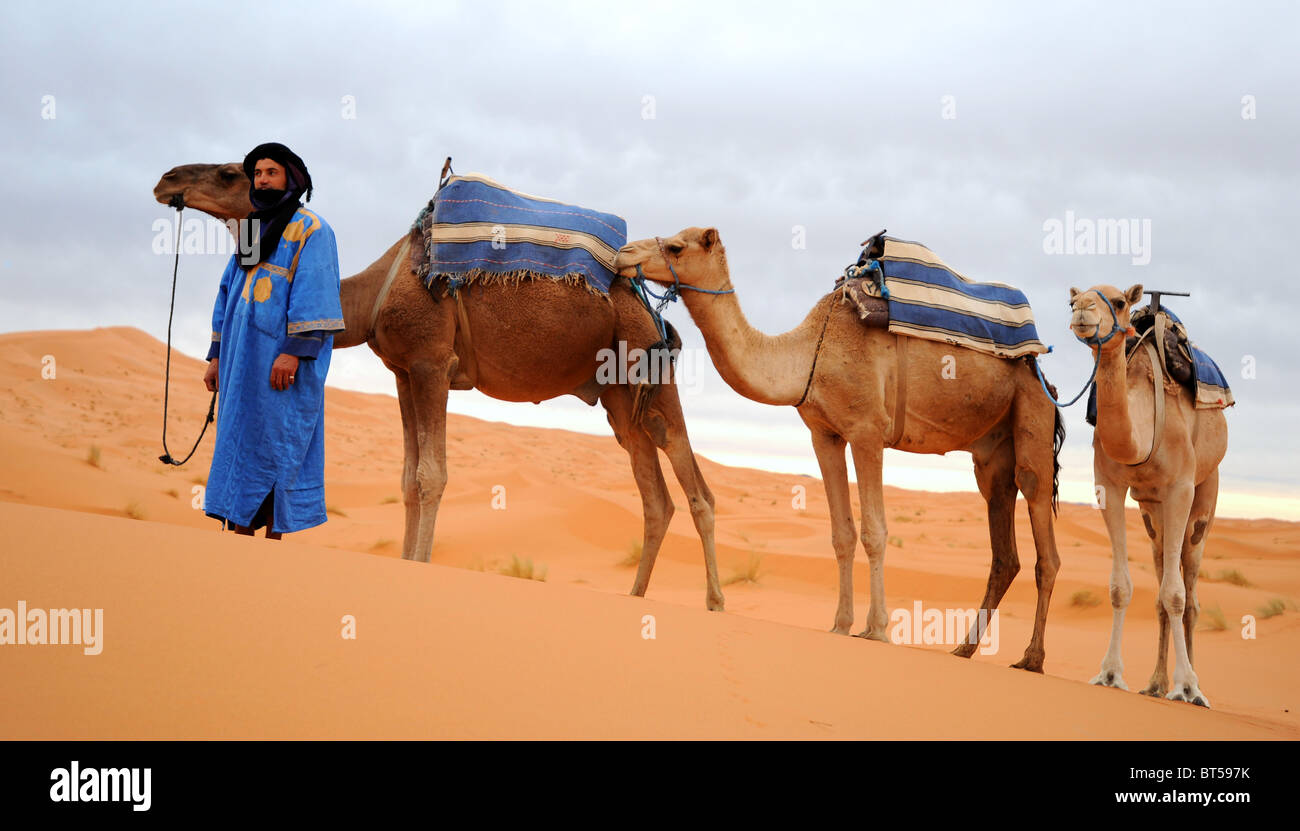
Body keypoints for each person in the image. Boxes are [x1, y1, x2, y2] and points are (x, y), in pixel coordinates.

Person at [202, 142, 344, 539]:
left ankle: (270, 547)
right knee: (238, 438)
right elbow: (229, 290)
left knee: (275, 442)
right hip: (239, 361)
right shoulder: (250, 229)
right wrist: (216, 355)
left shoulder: (313, 229)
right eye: (258, 173)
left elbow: (316, 292)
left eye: (271, 172)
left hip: (280, 363)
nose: (263, 180)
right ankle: (237, 539)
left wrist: (293, 353)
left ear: (291, 178)